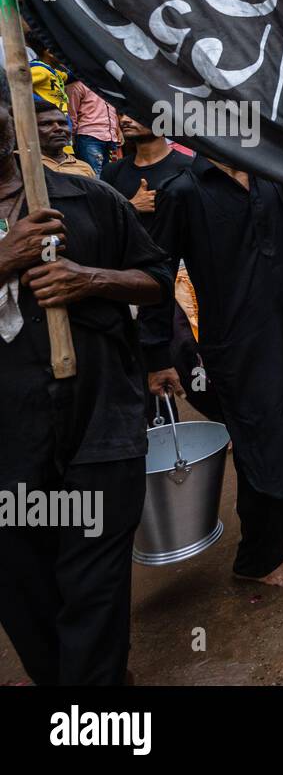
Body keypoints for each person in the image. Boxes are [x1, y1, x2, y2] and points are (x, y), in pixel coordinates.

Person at [0, 101, 171, 685]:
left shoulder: (86, 200)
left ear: (9, 113)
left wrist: (89, 279)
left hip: (99, 427)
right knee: (27, 597)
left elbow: (156, 281)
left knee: (95, 591)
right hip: (9, 451)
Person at [142, 157, 283, 588]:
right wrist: (157, 354)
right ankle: (258, 558)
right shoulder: (183, 191)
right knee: (261, 440)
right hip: (239, 343)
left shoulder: (271, 176)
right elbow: (159, 274)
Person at [99, 114, 191, 238]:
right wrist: (131, 206)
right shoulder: (112, 171)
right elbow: (100, 222)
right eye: (121, 114)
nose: (124, 120)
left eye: (133, 113)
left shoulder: (189, 169)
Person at [66, 79, 120, 177]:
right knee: (94, 175)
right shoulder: (77, 86)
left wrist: (117, 130)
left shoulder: (108, 88)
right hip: (89, 136)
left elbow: (113, 113)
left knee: (108, 175)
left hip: (109, 138)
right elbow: (71, 114)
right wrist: (71, 137)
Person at [36, 101, 95, 179]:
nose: (58, 128)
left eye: (62, 123)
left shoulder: (84, 168)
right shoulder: (19, 162)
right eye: (46, 124)